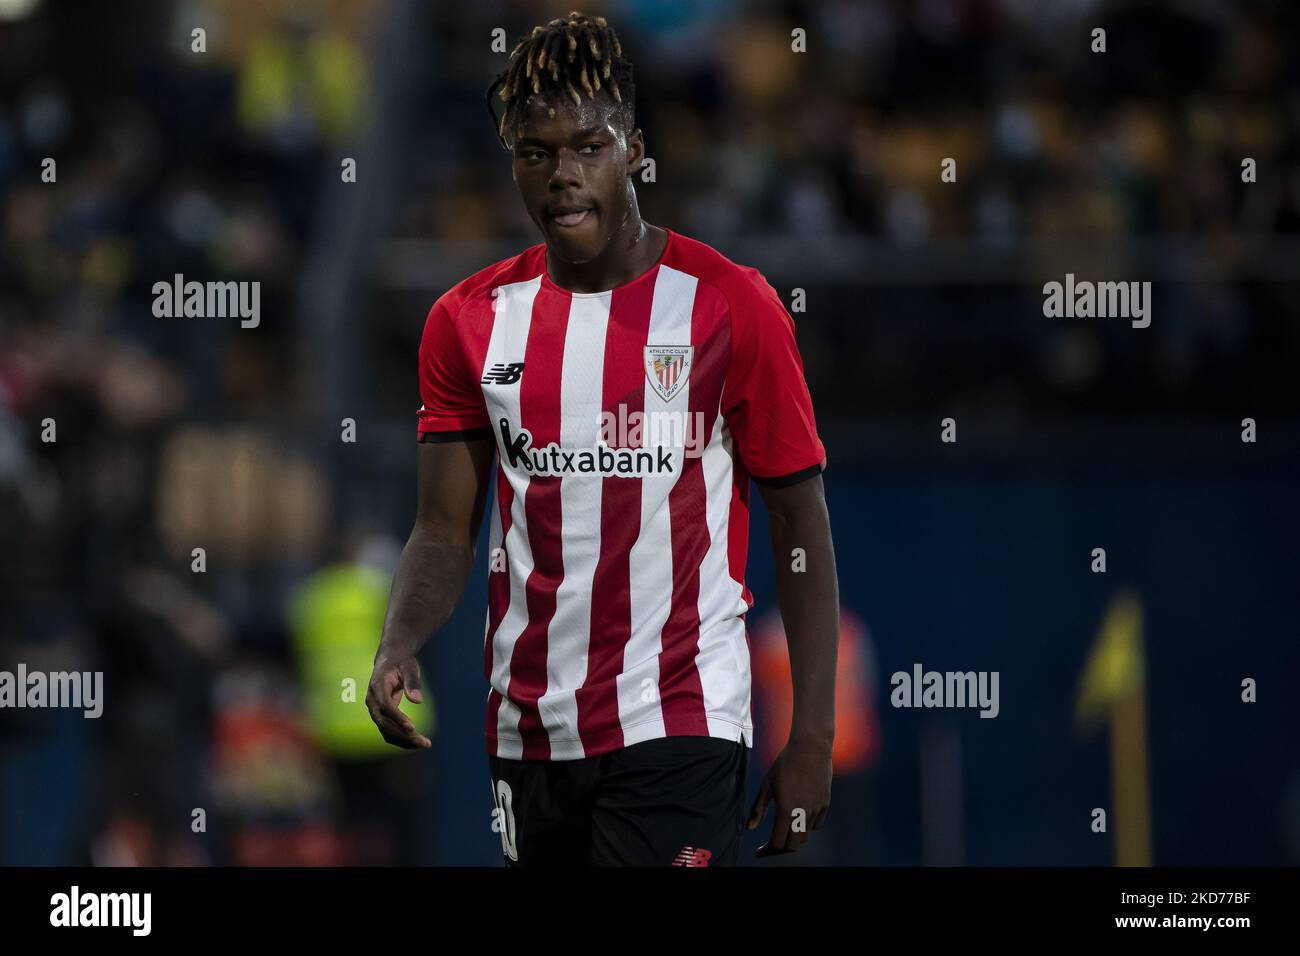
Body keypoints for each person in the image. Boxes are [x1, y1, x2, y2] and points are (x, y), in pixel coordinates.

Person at [367, 11, 839, 866]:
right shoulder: (466, 322)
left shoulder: (732, 307)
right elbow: (442, 529)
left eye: (588, 147)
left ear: (635, 149)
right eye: (535, 153)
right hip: (525, 736)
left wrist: (811, 737)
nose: (561, 176)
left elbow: (800, 524)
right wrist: (398, 641)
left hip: (680, 720)